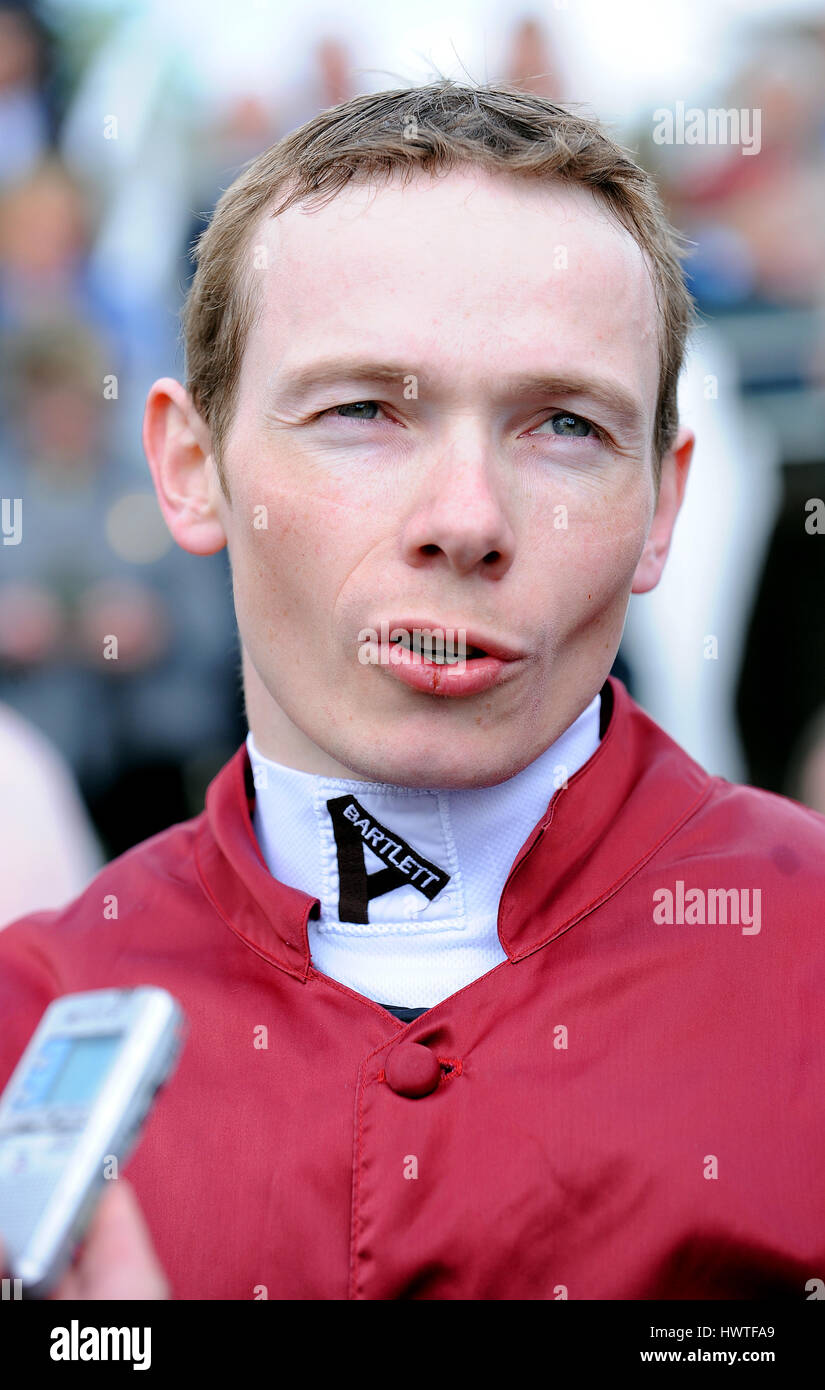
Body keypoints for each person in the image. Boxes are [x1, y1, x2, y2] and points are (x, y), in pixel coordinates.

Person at [1, 79, 824, 1301]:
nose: (466, 520)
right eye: (362, 412)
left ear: (663, 505)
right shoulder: (34, 1019)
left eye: (564, 427)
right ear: (190, 468)